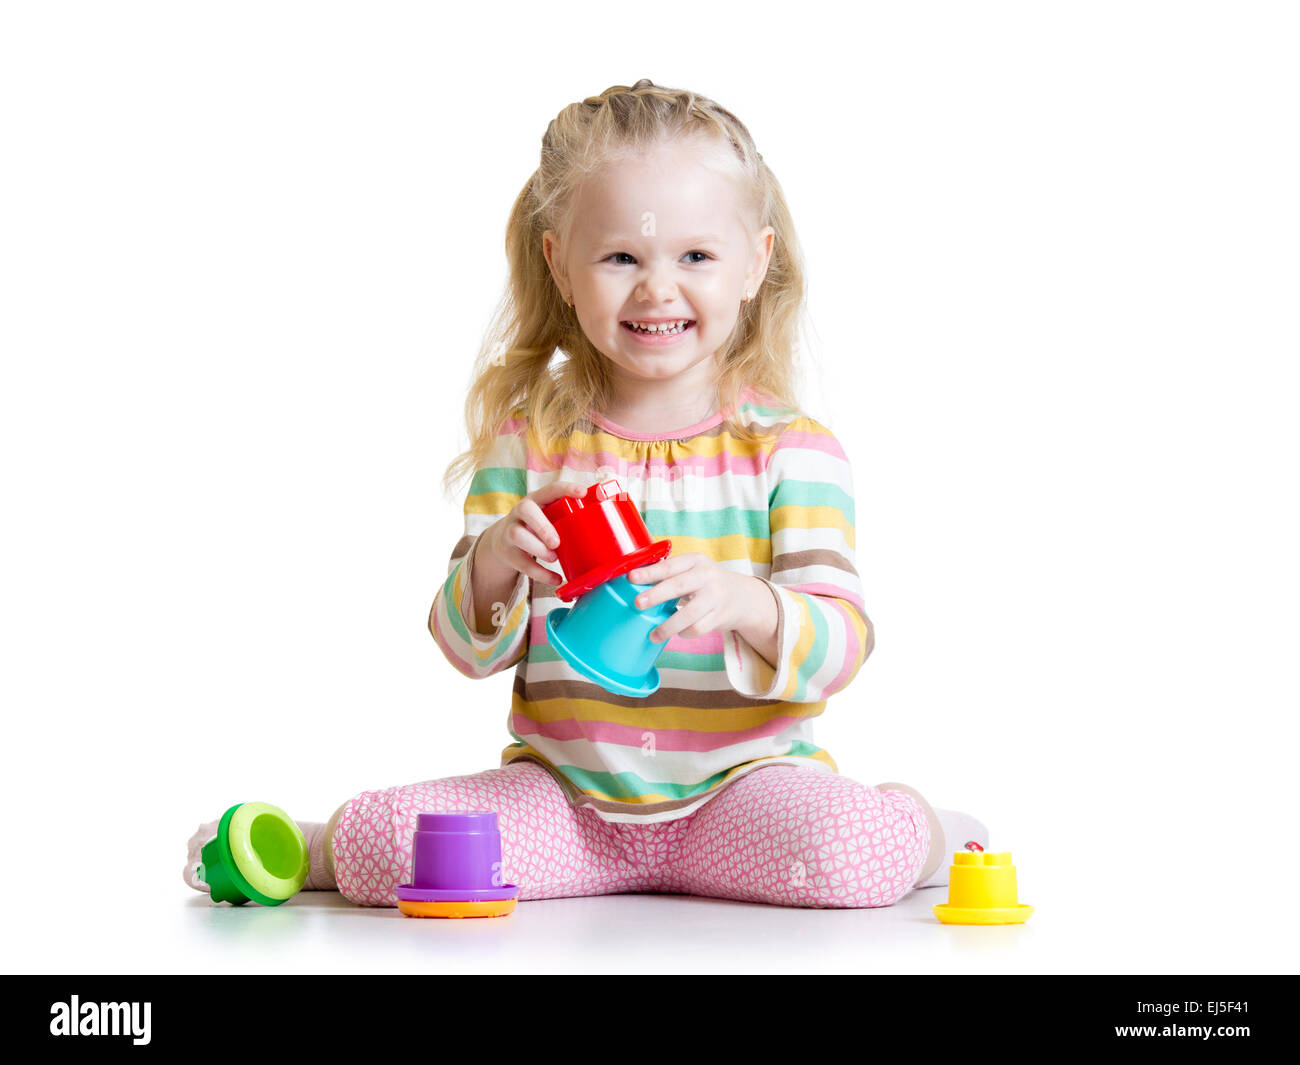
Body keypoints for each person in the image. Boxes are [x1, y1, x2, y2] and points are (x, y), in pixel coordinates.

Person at [184, 78, 986, 909]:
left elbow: (843, 641)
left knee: (854, 858)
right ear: (558, 265)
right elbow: (464, 650)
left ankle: (928, 830)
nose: (657, 288)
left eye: (697, 256)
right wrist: (496, 562)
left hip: (744, 796)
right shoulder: (528, 445)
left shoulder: (793, 450)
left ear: (757, 263)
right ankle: (320, 848)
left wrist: (749, 603)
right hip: (565, 803)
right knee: (394, 841)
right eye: (621, 257)